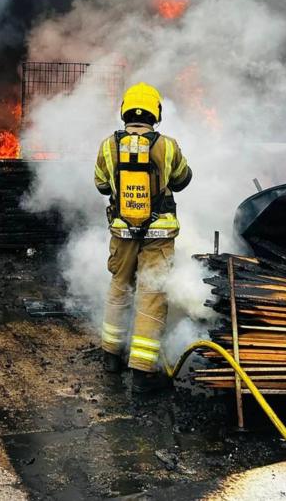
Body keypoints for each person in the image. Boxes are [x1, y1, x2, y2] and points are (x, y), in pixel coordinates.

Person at [93, 82, 192, 393]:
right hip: (158, 234)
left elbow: (101, 186)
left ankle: (111, 356)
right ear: (155, 113)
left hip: (122, 231)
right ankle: (141, 373)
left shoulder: (108, 146)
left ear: (125, 112)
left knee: (119, 286)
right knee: (151, 294)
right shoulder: (169, 145)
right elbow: (183, 179)